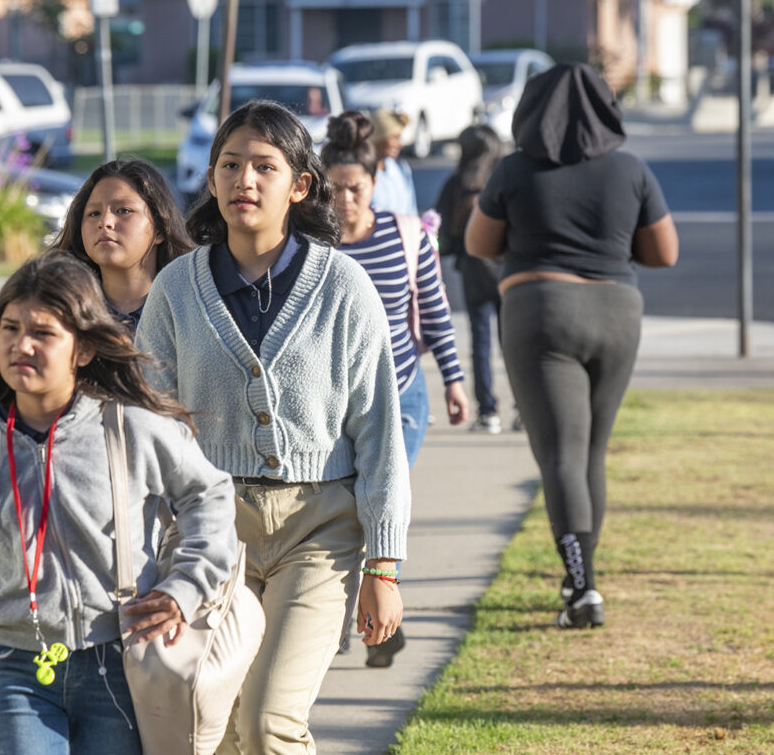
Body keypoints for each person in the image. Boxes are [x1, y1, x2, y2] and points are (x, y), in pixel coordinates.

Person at [136, 101, 409, 754]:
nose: (244, 181)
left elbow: (379, 430)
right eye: (230, 165)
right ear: (210, 179)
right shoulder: (175, 290)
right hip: (210, 534)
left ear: (300, 185)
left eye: (264, 166)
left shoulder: (345, 287)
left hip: (318, 532)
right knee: (218, 724)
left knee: (268, 724)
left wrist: (385, 564)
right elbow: (150, 427)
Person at [0, 253, 237, 754]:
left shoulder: (130, 427)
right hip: (10, 664)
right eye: (10, 328)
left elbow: (211, 496)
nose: (21, 345)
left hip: (115, 660)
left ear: (85, 349)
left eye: (43, 333)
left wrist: (185, 587)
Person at [465, 63, 679, 629]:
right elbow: (664, 253)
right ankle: (580, 580)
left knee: (559, 454)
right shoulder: (630, 170)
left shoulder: (514, 170)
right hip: (617, 313)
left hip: (540, 311)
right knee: (590, 454)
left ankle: (582, 590)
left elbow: (478, 243)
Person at [321, 110, 469, 668]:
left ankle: (379, 612)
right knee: (349, 506)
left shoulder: (407, 236)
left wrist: (454, 382)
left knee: (384, 497)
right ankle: (377, 613)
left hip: (402, 394)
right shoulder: (312, 247)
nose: (344, 201)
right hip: (334, 405)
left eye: (354, 188)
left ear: (374, 182)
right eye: (333, 190)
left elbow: (435, 314)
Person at [51, 158, 194, 332]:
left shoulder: (192, 310)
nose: (105, 222)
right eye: (94, 213)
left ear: (160, 230)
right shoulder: (60, 312)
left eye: (123, 211)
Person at [435, 124, 509, 434]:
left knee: (480, 342)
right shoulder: (504, 180)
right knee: (513, 342)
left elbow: (443, 237)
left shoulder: (457, 184)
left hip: (474, 273)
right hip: (508, 270)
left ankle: (488, 412)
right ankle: (524, 410)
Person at [368, 108, 418, 215]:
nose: (400, 144)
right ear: (378, 139)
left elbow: (412, 210)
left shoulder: (401, 168)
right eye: (394, 138)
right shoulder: (362, 173)